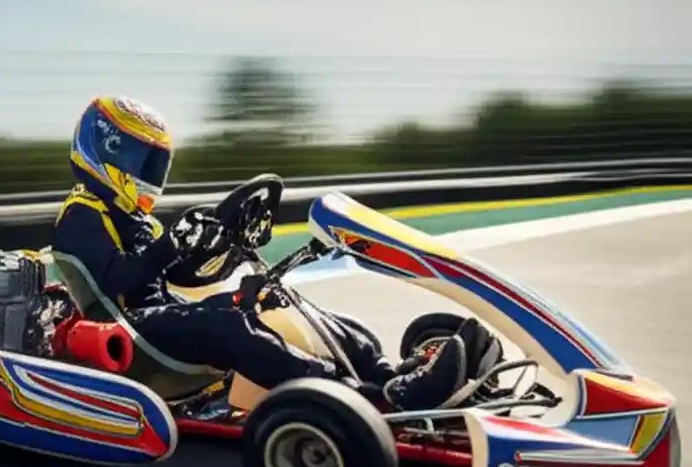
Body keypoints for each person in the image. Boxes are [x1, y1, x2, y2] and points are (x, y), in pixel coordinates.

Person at [50, 95, 501, 411]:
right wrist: (170, 245)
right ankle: (358, 399)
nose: (148, 173)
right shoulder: (81, 214)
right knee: (229, 326)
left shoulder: (134, 219)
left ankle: (390, 377)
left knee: (275, 302)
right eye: (140, 159)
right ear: (106, 148)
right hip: (132, 335)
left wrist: (217, 250)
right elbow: (117, 278)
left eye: (154, 163)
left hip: (160, 317)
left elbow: (178, 276)